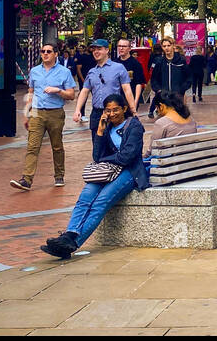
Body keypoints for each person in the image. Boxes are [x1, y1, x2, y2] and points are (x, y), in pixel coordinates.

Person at [40, 94, 148, 259]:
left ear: (124, 109)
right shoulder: (106, 127)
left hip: (130, 172)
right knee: (85, 197)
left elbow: (126, 157)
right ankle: (69, 235)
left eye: (116, 110)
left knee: (101, 201)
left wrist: (106, 159)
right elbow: (97, 156)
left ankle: (72, 244)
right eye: (108, 111)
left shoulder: (134, 126)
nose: (112, 114)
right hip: (107, 170)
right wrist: (99, 131)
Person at [10, 41, 75, 192]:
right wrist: (27, 114)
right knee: (32, 146)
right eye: (43, 51)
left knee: (57, 146)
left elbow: (71, 95)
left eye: (48, 51)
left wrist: (58, 91)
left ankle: (59, 175)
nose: (45, 54)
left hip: (55, 113)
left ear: (55, 54)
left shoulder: (64, 72)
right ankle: (26, 179)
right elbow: (31, 92)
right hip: (37, 113)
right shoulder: (34, 71)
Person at [73, 39, 136, 140]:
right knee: (97, 145)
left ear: (107, 50)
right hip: (97, 113)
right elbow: (84, 91)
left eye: (99, 49)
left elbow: (127, 89)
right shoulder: (92, 72)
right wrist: (77, 110)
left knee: (115, 145)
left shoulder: (118, 68)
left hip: (114, 113)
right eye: (94, 50)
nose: (96, 52)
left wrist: (133, 109)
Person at [143, 91, 199, 157]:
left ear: (161, 106)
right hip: (189, 161)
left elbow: (153, 149)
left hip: (170, 163)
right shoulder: (191, 119)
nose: (157, 111)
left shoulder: (161, 123)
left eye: (157, 108)